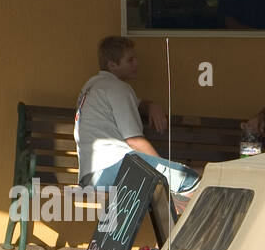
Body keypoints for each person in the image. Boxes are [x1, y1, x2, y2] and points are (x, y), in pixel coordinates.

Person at [74, 36, 199, 199]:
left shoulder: (92, 86)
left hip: (91, 175)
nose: (136, 63)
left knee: (174, 186)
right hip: (112, 169)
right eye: (130, 60)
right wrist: (163, 170)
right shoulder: (118, 88)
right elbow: (134, 141)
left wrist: (150, 105)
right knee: (188, 180)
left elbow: (135, 103)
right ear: (112, 65)